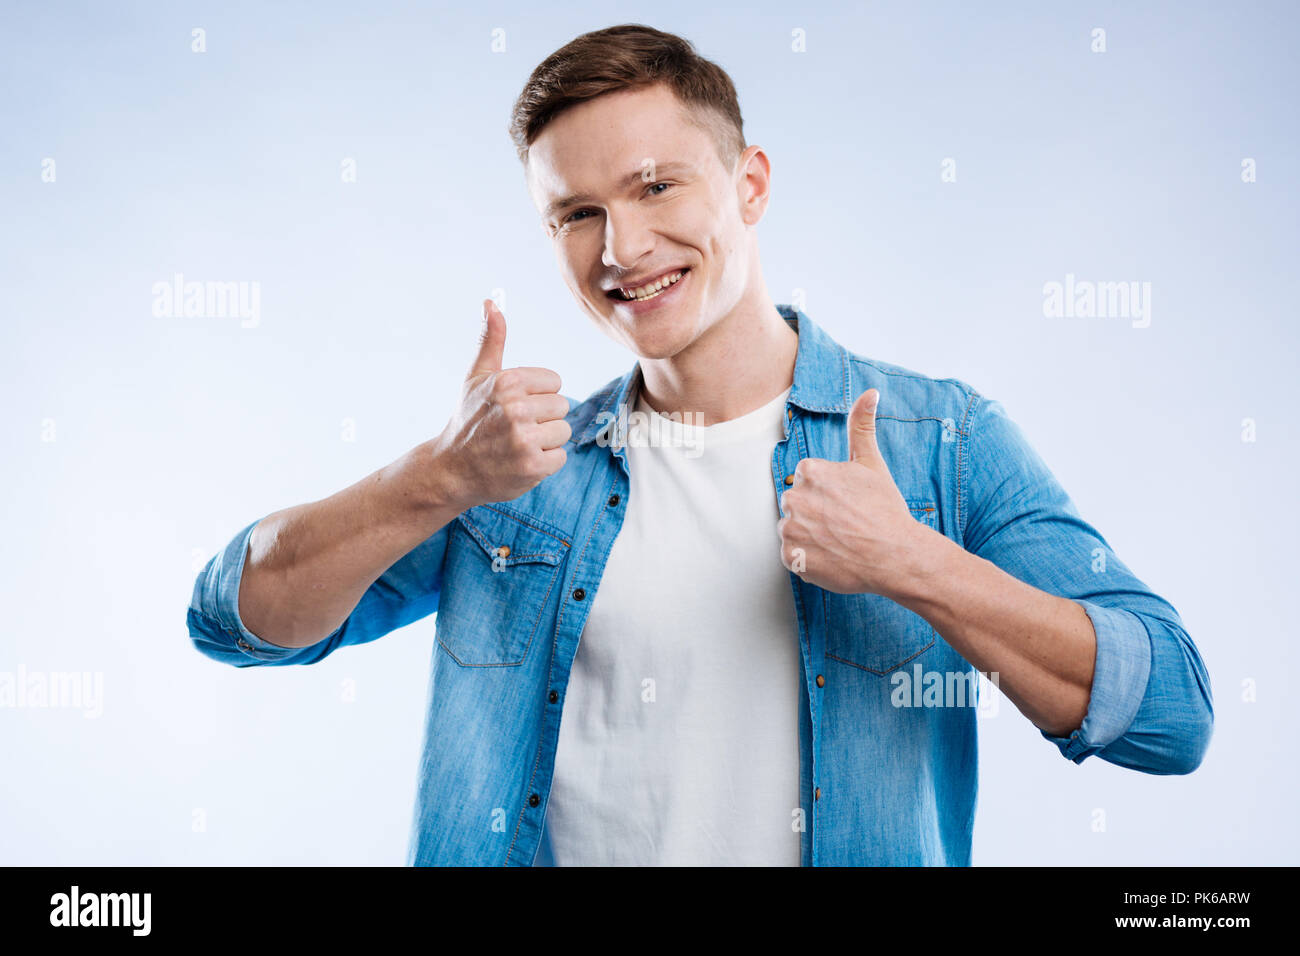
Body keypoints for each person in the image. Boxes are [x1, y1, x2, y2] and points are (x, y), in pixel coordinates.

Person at [186, 23, 1213, 866]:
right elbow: (234, 616)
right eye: (575, 214)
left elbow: (1169, 713)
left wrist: (916, 564)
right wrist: (432, 479)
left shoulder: (938, 440)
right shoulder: (510, 472)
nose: (621, 249)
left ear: (750, 184)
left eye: (655, 188)